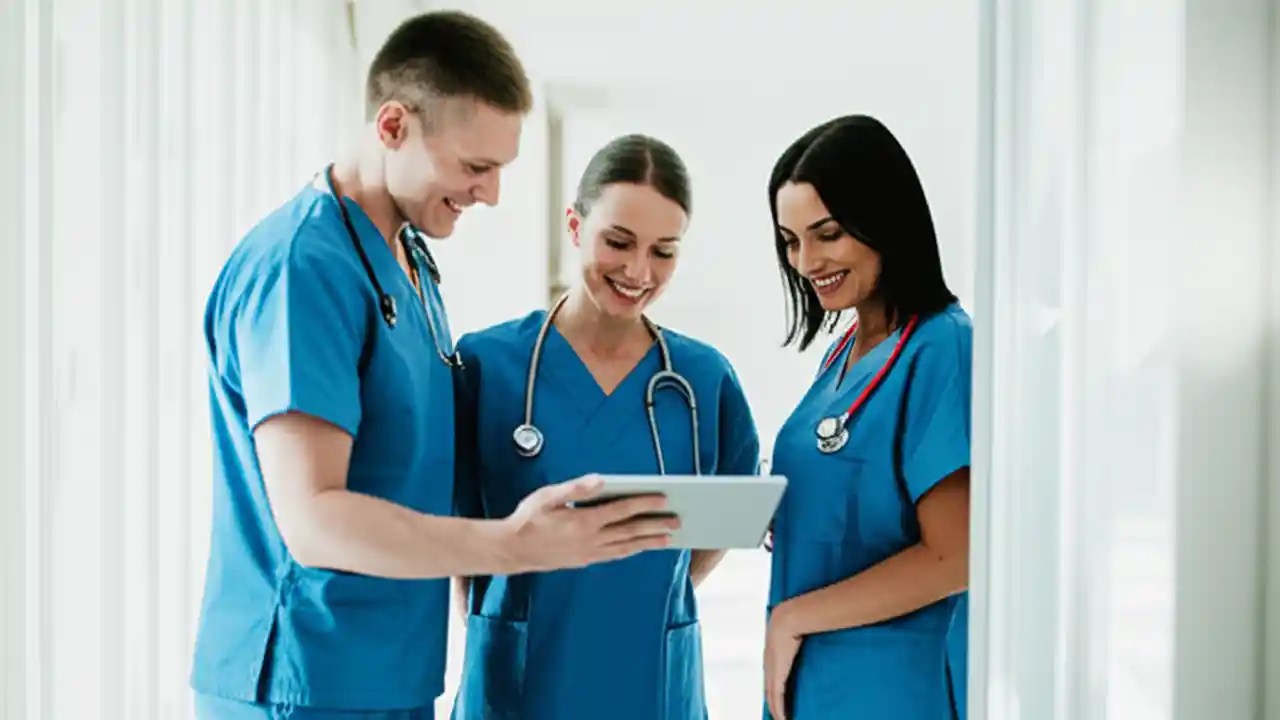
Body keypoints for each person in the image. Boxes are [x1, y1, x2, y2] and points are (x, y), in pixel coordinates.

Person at [190, 13, 678, 720]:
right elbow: (314, 520)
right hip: (305, 680)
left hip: (394, 675)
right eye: (474, 167)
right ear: (393, 126)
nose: (490, 193)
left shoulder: (411, 262)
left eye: (501, 169)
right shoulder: (304, 268)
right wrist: (511, 546)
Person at [450, 134, 761, 719]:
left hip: (650, 673)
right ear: (574, 226)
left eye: (663, 251)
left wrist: (647, 589)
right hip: (520, 675)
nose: (638, 271)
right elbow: (456, 528)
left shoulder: (702, 380)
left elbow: (732, 513)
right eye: (618, 242)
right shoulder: (488, 365)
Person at [760, 115, 972, 720]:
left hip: (894, 690)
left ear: (883, 220)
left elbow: (955, 554)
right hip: (818, 683)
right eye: (790, 240)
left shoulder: (941, 349)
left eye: (827, 234)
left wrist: (792, 619)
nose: (806, 260)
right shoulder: (840, 354)